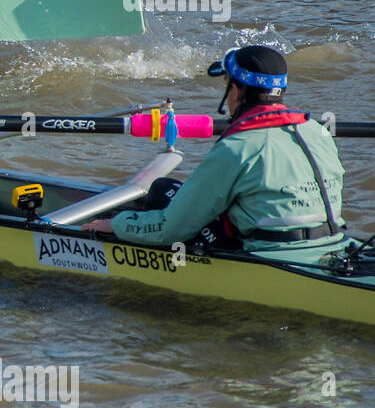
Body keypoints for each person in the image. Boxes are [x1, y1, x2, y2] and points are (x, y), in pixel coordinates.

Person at [83, 45, 347, 255]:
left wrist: (116, 225)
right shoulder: (317, 130)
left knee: (163, 189)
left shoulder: (238, 146)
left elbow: (171, 229)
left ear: (236, 90)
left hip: (269, 253)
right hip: (333, 242)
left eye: (226, 83)